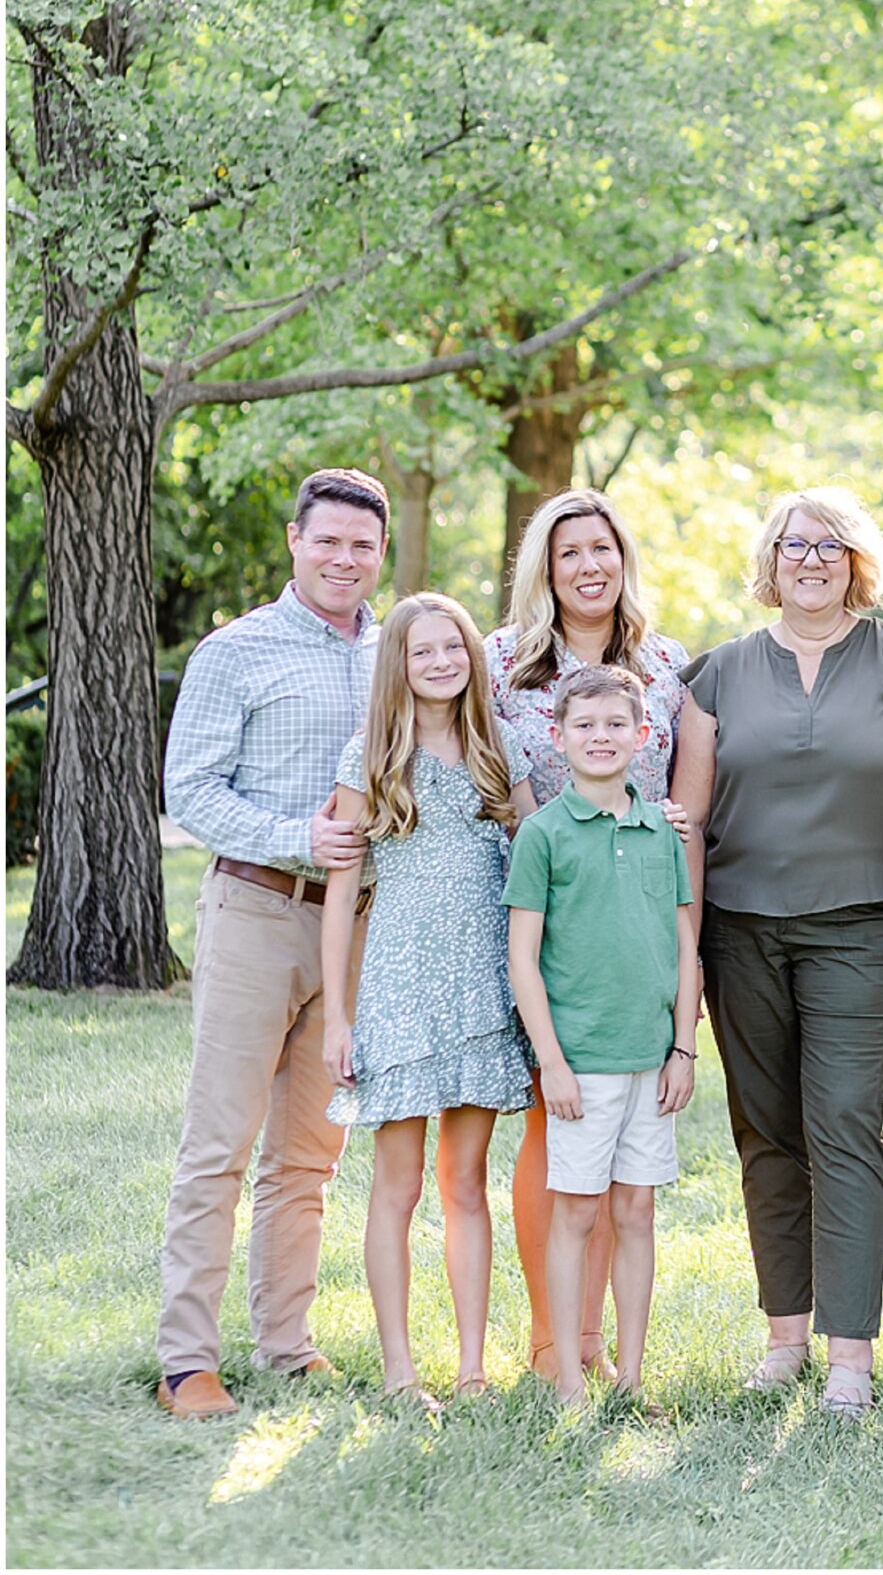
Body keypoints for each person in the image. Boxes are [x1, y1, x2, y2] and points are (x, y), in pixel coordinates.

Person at [673, 487, 883, 1419]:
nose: (808, 560)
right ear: (768, 563)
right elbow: (687, 824)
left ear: (857, 560)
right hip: (739, 929)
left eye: (828, 545)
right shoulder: (719, 674)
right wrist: (686, 953)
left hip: (864, 925)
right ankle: (785, 1335)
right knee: (765, 1132)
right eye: (791, 545)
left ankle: (849, 1352)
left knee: (844, 1125)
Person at [156, 467, 390, 1419]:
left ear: (382, 555)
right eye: (328, 540)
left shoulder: (396, 653)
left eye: (362, 545)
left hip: (361, 928)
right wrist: (299, 837)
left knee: (310, 1156)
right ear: (295, 541)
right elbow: (192, 793)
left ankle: (288, 1344)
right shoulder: (236, 650)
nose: (344, 558)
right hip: (257, 911)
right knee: (220, 1141)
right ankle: (186, 1358)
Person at [486, 486, 688, 1386]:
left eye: (602, 548)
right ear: (546, 566)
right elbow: (501, 785)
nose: (588, 566)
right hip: (543, 911)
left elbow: (680, 797)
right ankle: (552, 1343)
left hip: (639, 917)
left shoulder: (668, 665)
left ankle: (606, 1352)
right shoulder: (502, 663)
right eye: (569, 552)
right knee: (556, 1133)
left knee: (630, 1178)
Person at [320, 593, 536, 1405]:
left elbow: (544, 847)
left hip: (482, 986)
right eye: (424, 651)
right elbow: (342, 898)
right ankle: (402, 1373)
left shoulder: (497, 749)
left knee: (467, 1182)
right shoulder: (370, 759)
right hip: (401, 993)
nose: (442, 661)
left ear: (473, 658)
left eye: (455, 647)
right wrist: (340, 1016)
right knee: (398, 1184)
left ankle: (474, 1368)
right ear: (398, 665)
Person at [503, 664, 697, 1413]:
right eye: (583, 726)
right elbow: (523, 955)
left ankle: (633, 1376)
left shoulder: (660, 831)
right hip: (579, 1065)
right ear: (557, 738)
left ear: (644, 737)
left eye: (617, 725)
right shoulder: (544, 835)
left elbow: (686, 947)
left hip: (651, 1061)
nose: (601, 737)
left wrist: (682, 1048)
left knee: (636, 1213)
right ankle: (570, 1378)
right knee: (576, 1214)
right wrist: (550, 1061)